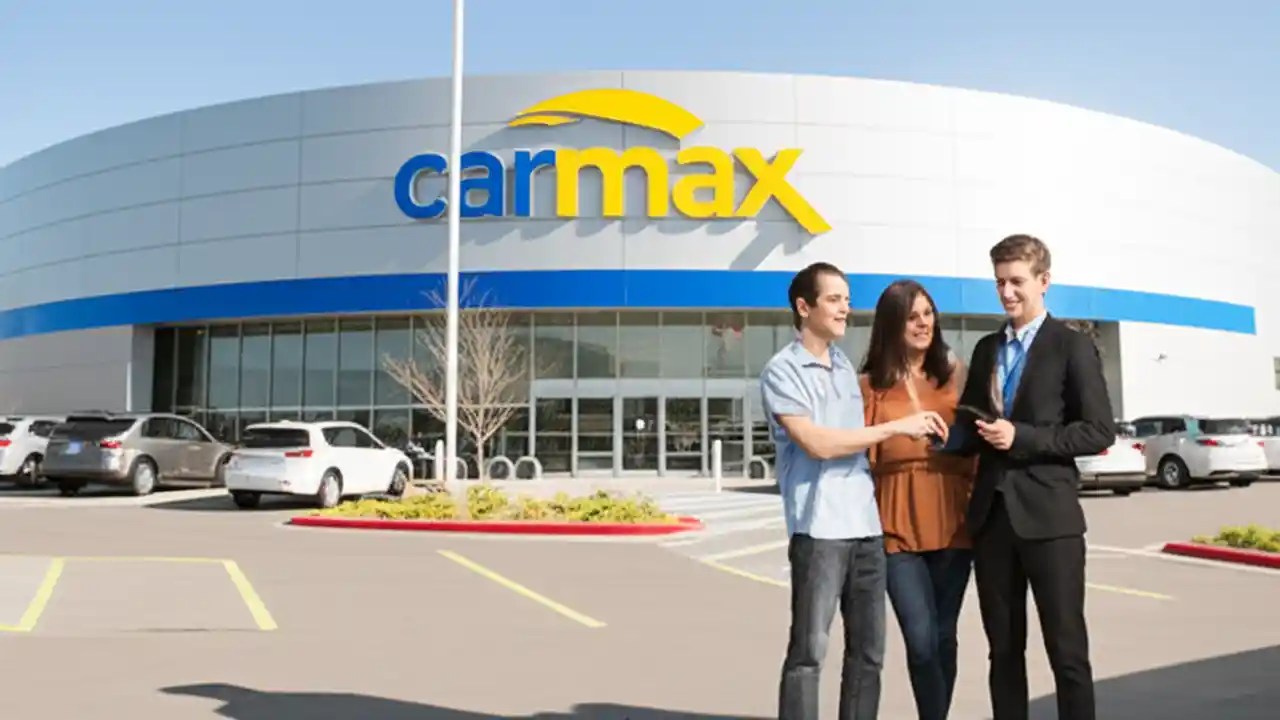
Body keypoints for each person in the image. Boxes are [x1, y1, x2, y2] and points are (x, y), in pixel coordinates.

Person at [760, 261, 950, 720]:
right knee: (809, 653)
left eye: (847, 299)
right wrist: (895, 428)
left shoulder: (845, 367)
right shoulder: (782, 371)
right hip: (819, 529)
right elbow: (818, 443)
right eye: (834, 299)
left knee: (868, 656)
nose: (845, 308)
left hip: (867, 530)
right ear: (804, 308)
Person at [950, 234, 1115, 720]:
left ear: (1044, 282)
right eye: (999, 282)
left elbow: (1097, 431)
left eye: (1016, 281)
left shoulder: (1072, 347)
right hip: (992, 522)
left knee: (1067, 653)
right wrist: (943, 435)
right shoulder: (985, 349)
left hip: (1050, 520)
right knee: (1003, 653)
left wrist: (1021, 436)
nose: (1006, 292)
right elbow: (976, 423)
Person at [858, 279, 977, 720]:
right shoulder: (869, 385)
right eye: (912, 316)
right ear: (893, 323)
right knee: (921, 639)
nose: (923, 323)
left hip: (953, 519)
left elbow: (977, 442)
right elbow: (860, 455)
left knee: (945, 635)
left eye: (928, 313)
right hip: (895, 524)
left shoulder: (955, 375)